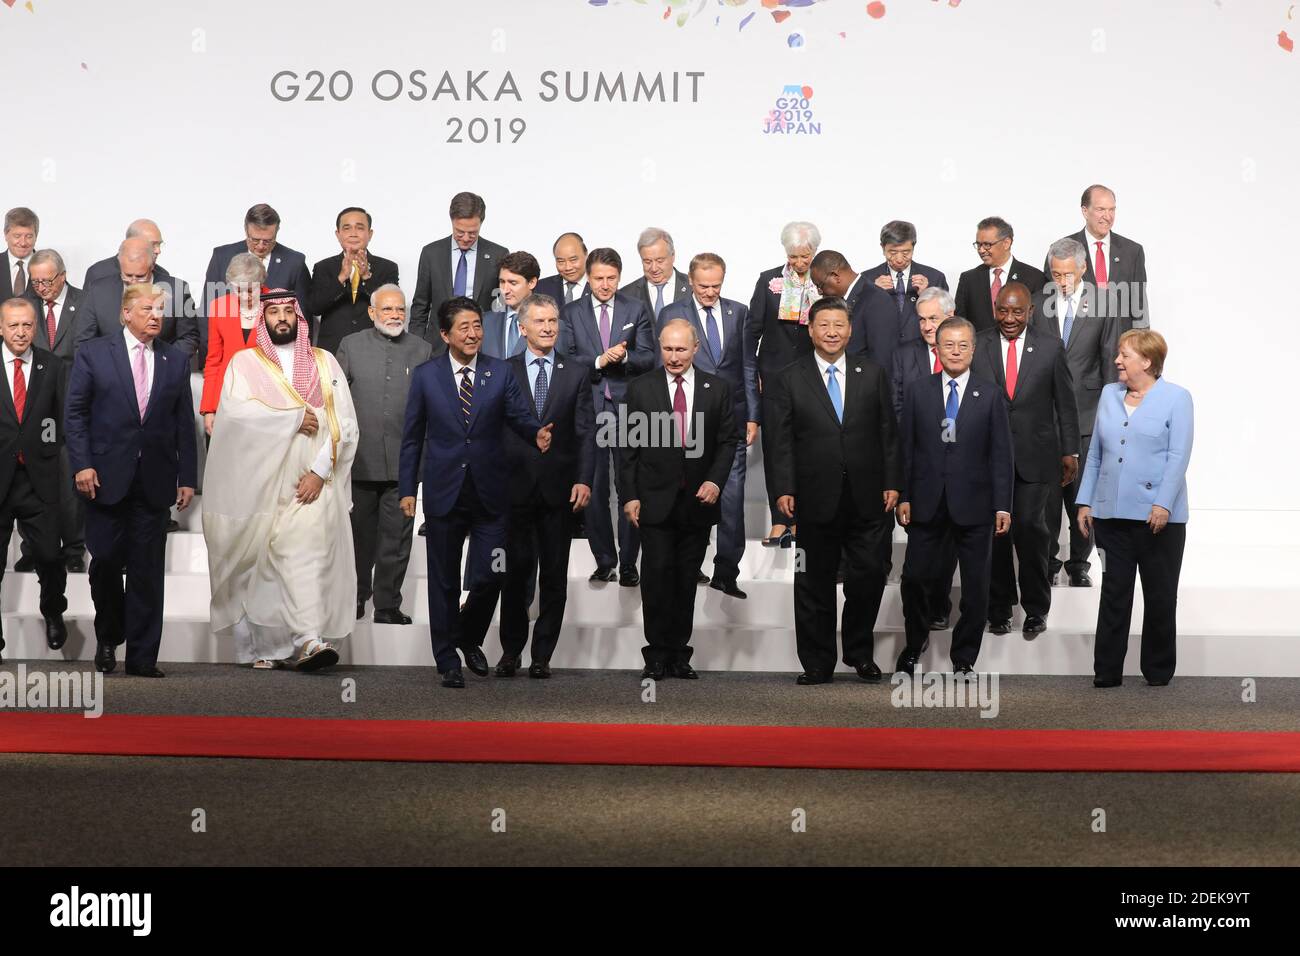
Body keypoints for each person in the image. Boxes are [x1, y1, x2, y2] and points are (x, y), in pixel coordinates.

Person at [399, 297, 553, 689]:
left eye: (477, 326)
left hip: (491, 493)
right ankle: (447, 659)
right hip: (444, 492)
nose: (473, 333)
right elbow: (412, 438)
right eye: (464, 327)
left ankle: (467, 634)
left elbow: (519, 415)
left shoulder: (499, 373)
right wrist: (407, 489)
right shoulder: (425, 376)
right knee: (444, 580)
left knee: (493, 573)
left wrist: (536, 432)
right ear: (446, 334)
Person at [203, 290, 358, 671]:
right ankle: (270, 648)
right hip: (261, 485)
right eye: (275, 313)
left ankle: (307, 638)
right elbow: (236, 417)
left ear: (300, 319)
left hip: (311, 482)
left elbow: (346, 423)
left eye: (290, 311)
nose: (283, 318)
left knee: (303, 554)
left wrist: (321, 473)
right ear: (264, 319)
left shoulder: (325, 362)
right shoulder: (245, 363)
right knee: (261, 565)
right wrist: (290, 418)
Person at [763, 297, 901, 685]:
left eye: (839, 325)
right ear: (810, 330)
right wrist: (784, 489)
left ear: (850, 329)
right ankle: (817, 662)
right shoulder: (789, 377)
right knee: (812, 580)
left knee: (870, 574)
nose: (831, 332)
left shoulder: (872, 372)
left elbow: (889, 433)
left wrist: (893, 482)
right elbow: (780, 442)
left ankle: (859, 653)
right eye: (823, 325)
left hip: (868, 496)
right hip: (811, 497)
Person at [458, 293, 595, 677]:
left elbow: (586, 433)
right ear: (522, 328)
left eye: (553, 321)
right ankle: (511, 652)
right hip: (512, 491)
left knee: (554, 577)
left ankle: (542, 656)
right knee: (515, 577)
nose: (549, 327)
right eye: (540, 322)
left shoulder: (578, 372)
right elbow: (488, 432)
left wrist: (585, 479)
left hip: (559, 490)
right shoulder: (502, 371)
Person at [65, 283, 197, 677]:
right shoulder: (93, 353)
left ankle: (142, 659)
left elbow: (182, 424)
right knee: (104, 562)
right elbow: (75, 414)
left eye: (160, 309)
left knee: (147, 571)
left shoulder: (175, 360)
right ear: (126, 313)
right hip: (103, 478)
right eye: (147, 308)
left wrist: (187, 476)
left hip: (154, 480)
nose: (156, 315)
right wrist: (82, 464)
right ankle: (109, 635)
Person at [622, 318, 739, 679]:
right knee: (656, 578)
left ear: (695, 349)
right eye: (668, 349)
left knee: (686, 580)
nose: (674, 357)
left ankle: (679, 653)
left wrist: (715, 482)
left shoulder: (717, 388)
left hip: (697, 503)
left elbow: (726, 441)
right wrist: (629, 496)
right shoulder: (640, 388)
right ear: (661, 348)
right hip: (653, 501)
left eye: (681, 349)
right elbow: (626, 447)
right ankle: (655, 654)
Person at [896, 317, 1013, 676]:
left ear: (973, 350)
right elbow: (906, 448)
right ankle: (914, 645)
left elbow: (1001, 453)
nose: (956, 351)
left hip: (976, 508)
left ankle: (964, 658)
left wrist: (1002, 504)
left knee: (976, 589)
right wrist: (903, 495)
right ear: (937, 348)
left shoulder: (990, 393)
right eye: (949, 345)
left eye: (964, 345)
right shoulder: (918, 390)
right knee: (914, 579)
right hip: (927, 503)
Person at [1077, 329, 1191, 688]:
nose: (1117, 361)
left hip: (1159, 520)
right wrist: (1085, 501)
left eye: (1124, 355)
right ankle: (1107, 672)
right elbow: (1095, 453)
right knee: (1114, 593)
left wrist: (1163, 503)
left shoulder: (1177, 398)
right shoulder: (1110, 395)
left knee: (1159, 595)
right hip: (1111, 518)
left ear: (1147, 361)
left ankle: (1157, 672)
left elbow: (1178, 457)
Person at [972, 283, 1080, 636]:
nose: (1009, 318)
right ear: (995, 309)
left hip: (1037, 458)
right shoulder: (979, 344)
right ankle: (1000, 607)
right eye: (1003, 310)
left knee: (1033, 532)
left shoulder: (1050, 347)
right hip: (988, 458)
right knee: (995, 534)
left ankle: (1036, 608)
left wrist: (1070, 450)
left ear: (1030, 311)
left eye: (1017, 311)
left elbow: (1065, 402)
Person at [656, 253, 758, 597]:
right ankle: (689, 565)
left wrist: (753, 415)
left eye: (716, 285)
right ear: (690, 280)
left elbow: (746, 366)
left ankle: (727, 571)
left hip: (731, 417)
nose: (710, 291)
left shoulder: (739, 312)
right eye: (703, 285)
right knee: (689, 495)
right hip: (688, 420)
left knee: (731, 496)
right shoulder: (673, 314)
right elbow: (665, 368)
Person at [558, 247, 654, 587]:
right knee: (594, 486)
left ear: (619, 276)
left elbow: (648, 356)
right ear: (588, 277)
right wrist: (600, 361)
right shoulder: (570, 312)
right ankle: (604, 560)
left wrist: (623, 360)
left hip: (629, 409)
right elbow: (565, 359)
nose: (604, 284)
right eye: (598, 278)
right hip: (590, 408)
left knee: (629, 485)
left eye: (611, 278)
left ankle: (629, 562)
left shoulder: (636, 308)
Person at [337, 284, 432, 624]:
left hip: (405, 463)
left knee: (397, 537)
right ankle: (356, 597)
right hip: (360, 459)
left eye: (400, 310)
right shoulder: (351, 345)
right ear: (372, 312)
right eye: (387, 309)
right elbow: (335, 398)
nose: (394, 315)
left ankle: (388, 605)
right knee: (359, 535)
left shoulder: (422, 349)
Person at [1034, 237, 1119, 587]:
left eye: (1068, 274)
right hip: (1045, 413)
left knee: (1083, 492)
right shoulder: (1038, 303)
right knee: (1047, 495)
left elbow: (1109, 359)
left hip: (1087, 411)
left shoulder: (1104, 303)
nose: (1062, 281)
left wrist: (1109, 414)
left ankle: (1079, 563)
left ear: (1083, 268)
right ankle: (1049, 560)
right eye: (1056, 273)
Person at [0, 298, 69, 662]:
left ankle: (54, 610)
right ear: (1, 327)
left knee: (50, 555)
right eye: (13, 325)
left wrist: (46, 450)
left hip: (38, 480)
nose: (21, 332)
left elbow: (60, 419)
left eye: (27, 325)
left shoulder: (52, 365)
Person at [749, 221, 820, 548]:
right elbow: (751, 333)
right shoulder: (769, 281)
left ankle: (805, 521)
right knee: (776, 450)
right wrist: (755, 374)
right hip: (774, 380)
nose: (799, 263)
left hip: (812, 380)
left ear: (814, 252)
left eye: (805, 256)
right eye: (793, 256)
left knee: (809, 451)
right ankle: (780, 521)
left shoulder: (823, 280)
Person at [890, 286, 958, 629]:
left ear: (950, 315)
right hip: (918, 459)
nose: (927, 325)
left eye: (933, 318)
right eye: (921, 319)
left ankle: (939, 606)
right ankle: (915, 615)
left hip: (958, 462)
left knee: (947, 547)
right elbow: (897, 407)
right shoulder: (903, 355)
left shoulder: (967, 351)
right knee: (920, 548)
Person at [20, 249, 85, 572]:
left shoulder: (84, 302)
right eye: (36, 282)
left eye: (47, 280)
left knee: (69, 479)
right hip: (33, 408)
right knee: (31, 480)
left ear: (62, 275)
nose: (42, 287)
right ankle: (32, 546)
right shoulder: (24, 305)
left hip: (74, 405)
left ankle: (74, 549)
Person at [1046, 184, 1148, 331]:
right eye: (1101, 209)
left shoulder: (1133, 251)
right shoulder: (1060, 250)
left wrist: (1142, 347)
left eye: (1112, 209)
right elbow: (1052, 302)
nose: (1108, 216)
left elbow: (1140, 305)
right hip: (1077, 342)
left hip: (1120, 341)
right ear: (1085, 211)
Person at [75, 238, 199, 357]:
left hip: (161, 373)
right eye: (127, 275)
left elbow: (189, 338)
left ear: (152, 266)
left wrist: (164, 364)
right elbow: (84, 341)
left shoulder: (177, 290)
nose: (133, 282)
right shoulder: (98, 291)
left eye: (140, 276)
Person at [410, 191, 508, 340]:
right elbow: (420, 306)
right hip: (438, 345)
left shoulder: (498, 254)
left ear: (481, 223)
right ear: (452, 221)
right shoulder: (431, 253)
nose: (466, 238)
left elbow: (500, 306)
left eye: (473, 233)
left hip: (481, 343)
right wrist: (415, 346)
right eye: (460, 232)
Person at [202, 203, 311, 324]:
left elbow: (303, 316)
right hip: (229, 339)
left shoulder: (295, 262)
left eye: (267, 241)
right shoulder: (222, 257)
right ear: (246, 230)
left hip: (277, 341)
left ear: (277, 232)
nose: (260, 246)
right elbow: (208, 310)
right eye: (254, 239)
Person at [311, 206, 400, 354]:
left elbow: (392, 308)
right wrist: (341, 278)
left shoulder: (388, 267)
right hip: (333, 349)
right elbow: (315, 307)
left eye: (359, 228)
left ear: (370, 234)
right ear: (338, 234)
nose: (353, 233)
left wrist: (366, 277)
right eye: (347, 228)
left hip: (375, 348)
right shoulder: (323, 267)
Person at [200, 253, 265, 436]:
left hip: (266, 400)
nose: (244, 296)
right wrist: (209, 408)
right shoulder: (219, 306)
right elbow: (213, 361)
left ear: (261, 283)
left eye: (251, 290)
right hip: (227, 398)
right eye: (238, 289)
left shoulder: (276, 304)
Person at [808, 250, 901, 376]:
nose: (820, 292)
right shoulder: (845, 300)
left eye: (820, 286)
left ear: (835, 276)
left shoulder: (876, 300)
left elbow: (883, 359)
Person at [953, 217, 1046, 333]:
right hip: (980, 349)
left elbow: (1040, 323)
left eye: (987, 244)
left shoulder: (1034, 278)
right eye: (978, 244)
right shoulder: (968, 279)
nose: (981, 250)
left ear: (1006, 243)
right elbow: (959, 323)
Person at [861, 220, 949, 328]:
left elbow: (947, 320)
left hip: (920, 343)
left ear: (914, 247)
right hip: (880, 343)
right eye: (892, 252)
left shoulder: (935, 278)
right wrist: (873, 293)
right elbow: (855, 320)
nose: (899, 259)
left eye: (905, 252)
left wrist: (926, 295)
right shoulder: (866, 279)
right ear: (883, 248)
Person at [620, 227, 691, 320]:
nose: (654, 268)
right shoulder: (626, 295)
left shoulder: (692, 287)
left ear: (673, 256)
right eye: (647, 262)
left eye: (660, 261)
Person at [480, 250, 539, 359]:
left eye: (513, 283)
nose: (505, 290)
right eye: (502, 282)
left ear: (531, 283)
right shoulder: (485, 322)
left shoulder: (550, 323)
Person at [82, 219, 167, 288]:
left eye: (159, 244)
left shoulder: (162, 274)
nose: (158, 251)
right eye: (153, 244)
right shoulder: (98, 272)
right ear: (132, 241)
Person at [535, 232, 589, 305]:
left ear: (586, 255)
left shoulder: (600, 285)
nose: (568, 267)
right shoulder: (541, 287)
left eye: (573, 260)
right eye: (561, 261)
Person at [2, 208, 40, 302]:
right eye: (17, 236)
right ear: (6, 235)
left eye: (29, 236)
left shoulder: (48, 266)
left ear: (36, 236)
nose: (23, 243)